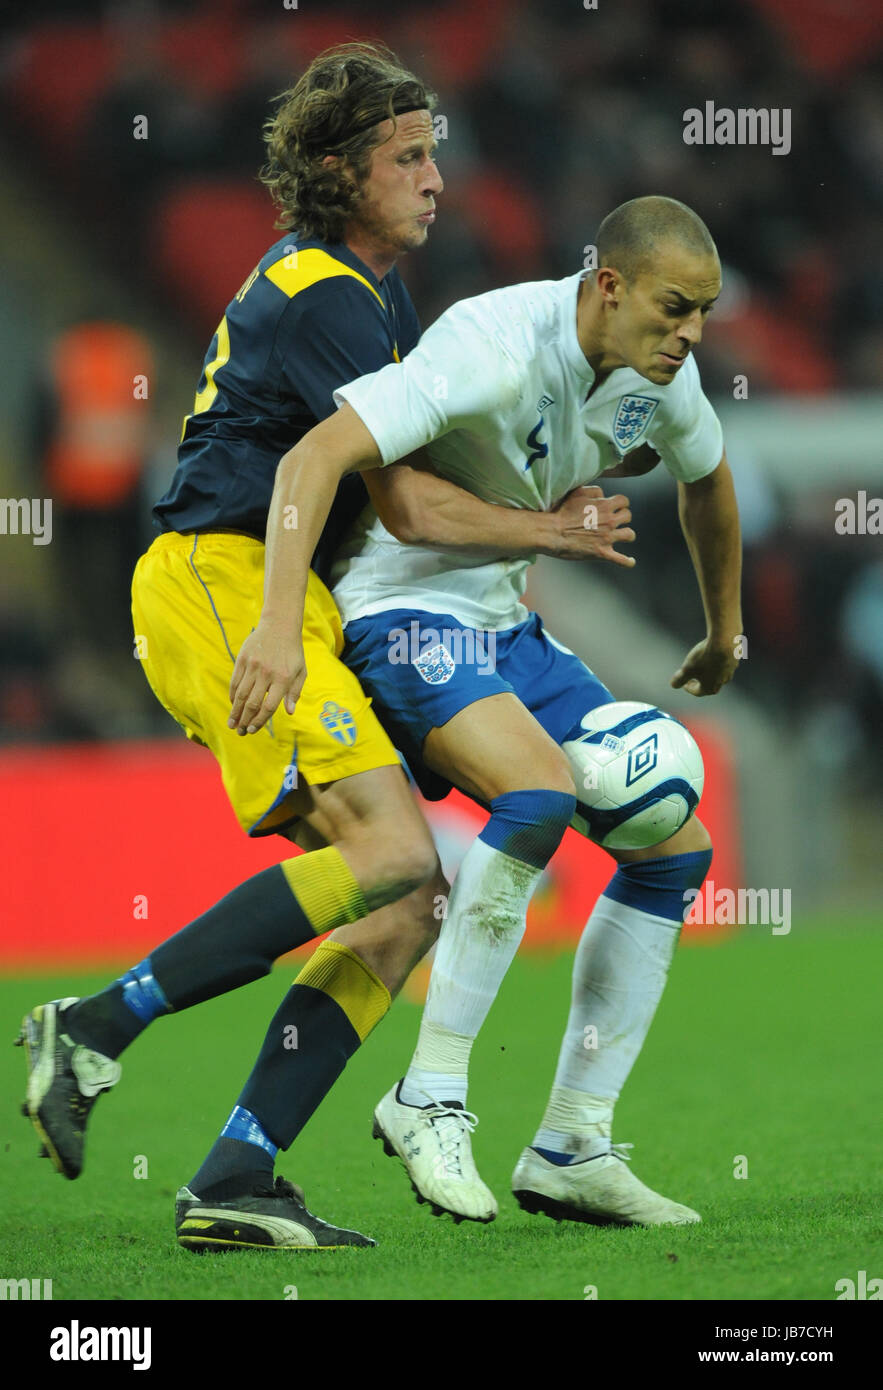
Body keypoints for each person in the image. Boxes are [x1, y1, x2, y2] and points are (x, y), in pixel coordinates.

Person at [18, 42, 621, 1252]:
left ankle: (238, 1170)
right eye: (407, 158)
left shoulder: (368, 294)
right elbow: (392, 503)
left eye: (435, 154)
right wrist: (539, 530)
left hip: (262, 585)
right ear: (341, 174)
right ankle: (94, 1024)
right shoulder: (324, 295)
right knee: (396, 851)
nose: (436, 180)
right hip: (227, 579)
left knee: (405, 901)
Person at [227, 195, 743, 1228]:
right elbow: (314, 459)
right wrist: (280, 626)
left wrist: (722, 627)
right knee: (540, 795)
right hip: (402, 610)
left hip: (502, 622)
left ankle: (571, 1143)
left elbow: (709, 485)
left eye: (703, 314)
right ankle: (430, 1092)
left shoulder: (658, 379)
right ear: (608, 287)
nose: (691, 336)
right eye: (675, 308)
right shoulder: (490, 344)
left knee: (672, 847)